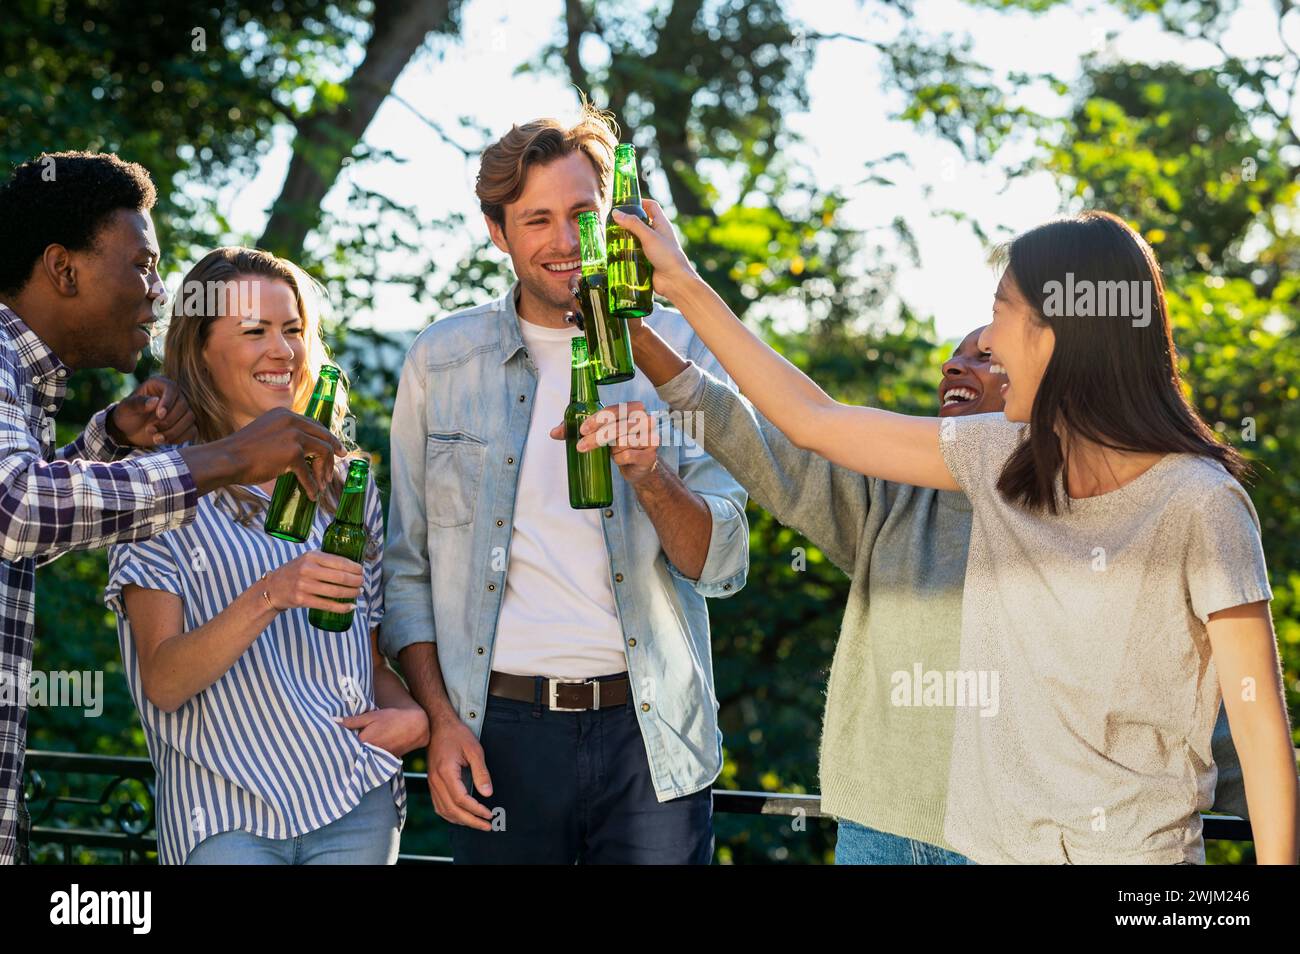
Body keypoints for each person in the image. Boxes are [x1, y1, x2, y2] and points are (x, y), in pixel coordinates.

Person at [594, 202, 1298, 864]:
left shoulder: (1200, 504)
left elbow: (1259, 727)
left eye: (1000, 314)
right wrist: (681, 285)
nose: (985, 340)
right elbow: (813, 421)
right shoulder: (997, 458)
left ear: (1059, 333)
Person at [381, 104, 750, 864]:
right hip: (498, 733)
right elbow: (406, 570)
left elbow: (722, 564)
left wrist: (650, 477)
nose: (561, 241)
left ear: (612, 218)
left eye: (582, 214)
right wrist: (442, 723)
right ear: (499, 233)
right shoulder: (440, 361)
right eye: (536, 219)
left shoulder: (682, 357)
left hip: (651, 736)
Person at [0, 153, 344, 864]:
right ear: (64, 269)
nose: (158, 294)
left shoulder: (27, 384)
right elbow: (16, 511)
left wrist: (111, 438)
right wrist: (226, 459)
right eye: (144, 265)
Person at [103, 247, 426, 864]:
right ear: (199, 349)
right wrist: (272, 592)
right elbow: (165, 683)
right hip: (224, 813)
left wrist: (411, 716)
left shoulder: (346, 483)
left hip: (354, 797)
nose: (283, 350)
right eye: (255, 331)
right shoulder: (157, 488)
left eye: (294, 330)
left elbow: (367, 654)